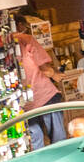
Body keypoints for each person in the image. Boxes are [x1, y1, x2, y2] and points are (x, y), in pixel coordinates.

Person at [15, 15, 67, 150]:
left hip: (25, 105)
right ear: (19, 25)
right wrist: (56, 75)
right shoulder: (27, 40)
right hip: (45, 96)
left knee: (35, 142)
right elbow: (46, 70)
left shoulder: (2, 46)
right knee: (58, 140)